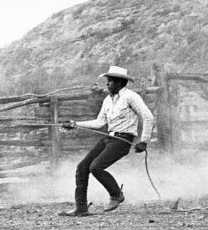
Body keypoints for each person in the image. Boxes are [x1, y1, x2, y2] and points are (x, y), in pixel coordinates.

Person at [60, 65, 154, 216]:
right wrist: (75, 124)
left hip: (123, 140)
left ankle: (116, 195)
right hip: (109, 137)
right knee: (82, 167)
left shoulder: (131, 96)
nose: (107, 84)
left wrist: (144, 141)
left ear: (120, 82)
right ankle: (81, 207)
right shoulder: (108, 100)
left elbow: (148, 117)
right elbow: (99, 122)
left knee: (96, 167)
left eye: (110, 81)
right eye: (107, 80)